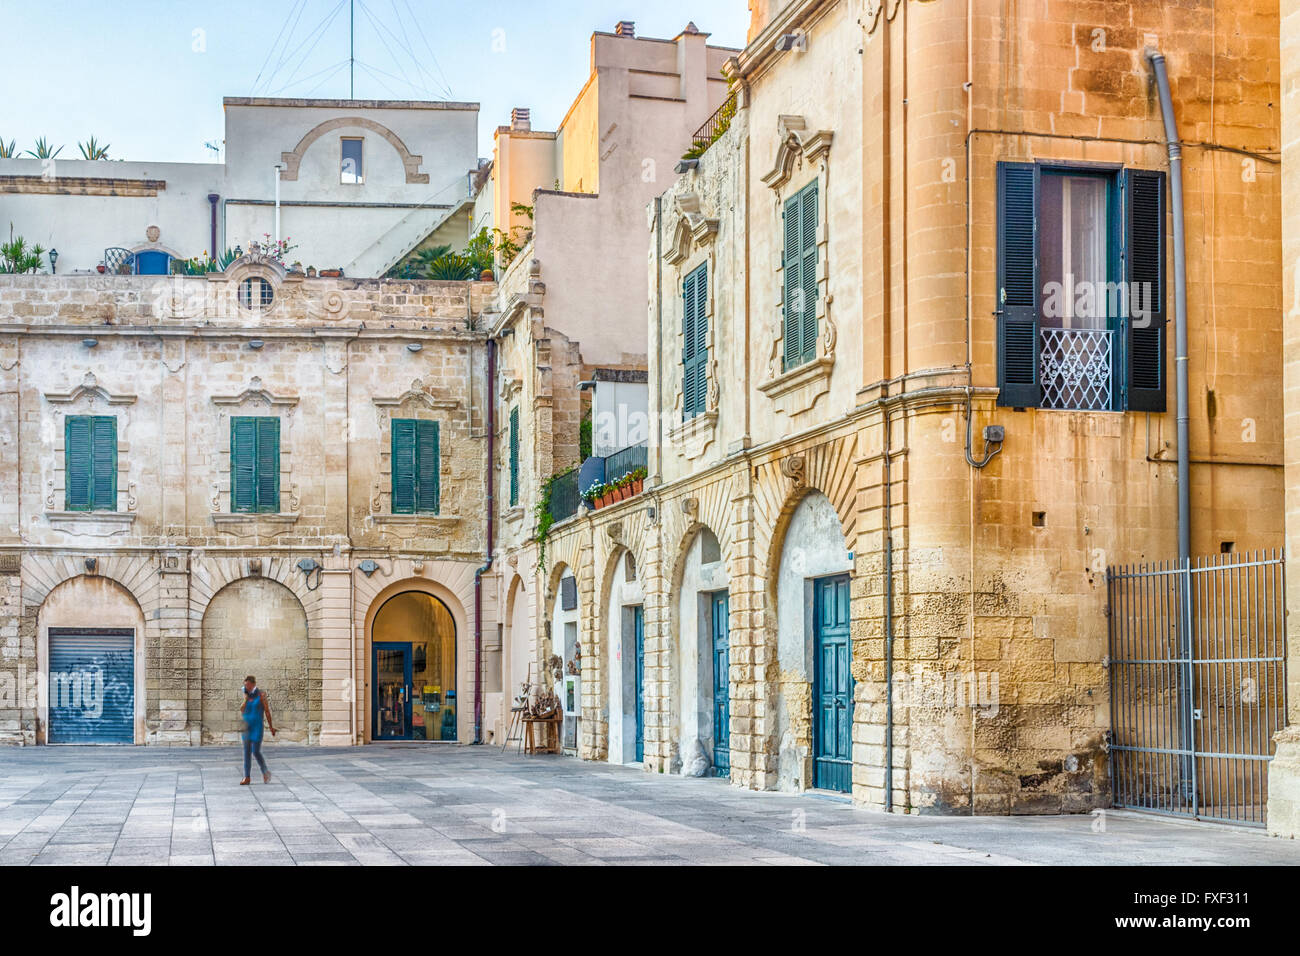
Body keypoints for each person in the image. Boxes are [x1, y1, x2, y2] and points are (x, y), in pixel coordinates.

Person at [238, 675, 277, 785]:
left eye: (248, 685)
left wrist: (271, 727)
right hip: (247, 726)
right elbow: (242, 709)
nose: (246, 687)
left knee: (255, 751)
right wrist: (245, 699)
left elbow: (267, 712)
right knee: (246, 752)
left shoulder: (261, 695)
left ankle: (265, 771)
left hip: (257, 727)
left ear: (253, 684)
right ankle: (247, 777)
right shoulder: (247, 695)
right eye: (245, 685)